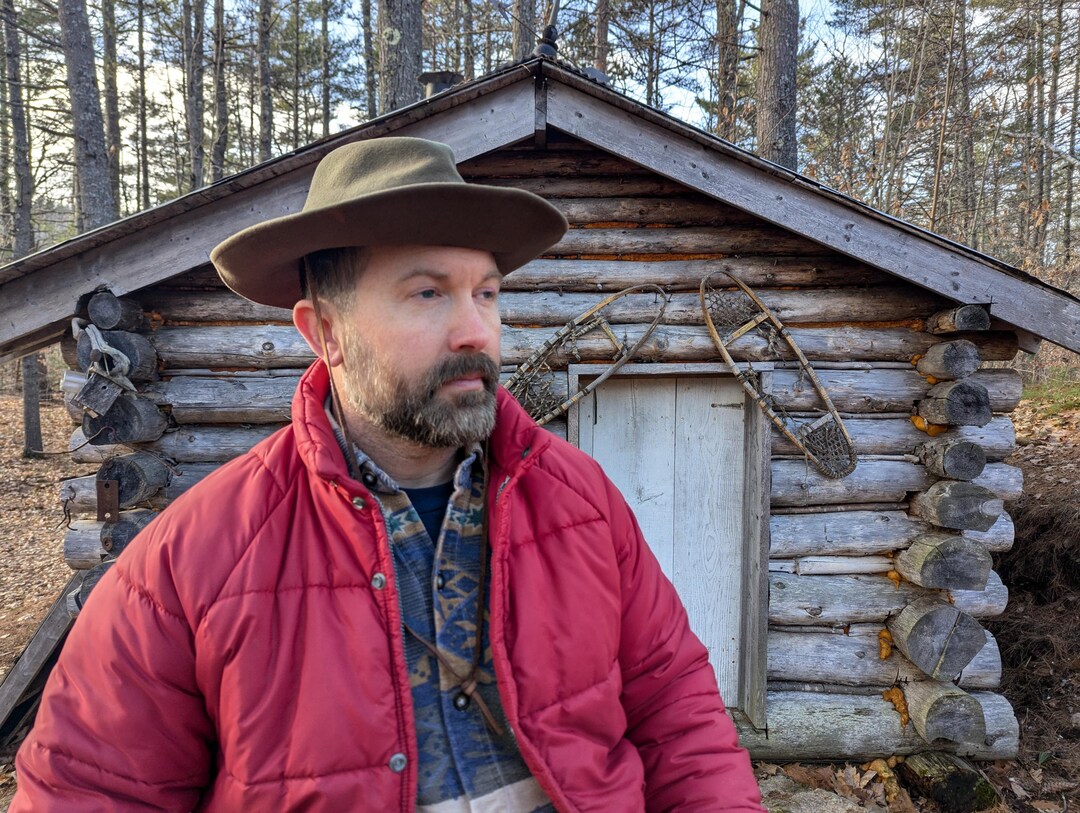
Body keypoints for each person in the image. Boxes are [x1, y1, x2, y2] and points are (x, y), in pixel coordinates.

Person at [12, 137, 764, 812]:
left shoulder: (583, 503)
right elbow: (92, 790)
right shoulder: (190, 558)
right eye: (428, 292)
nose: (476, 330)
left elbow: (678, 714)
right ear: (326, 333)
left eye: (487, 292)